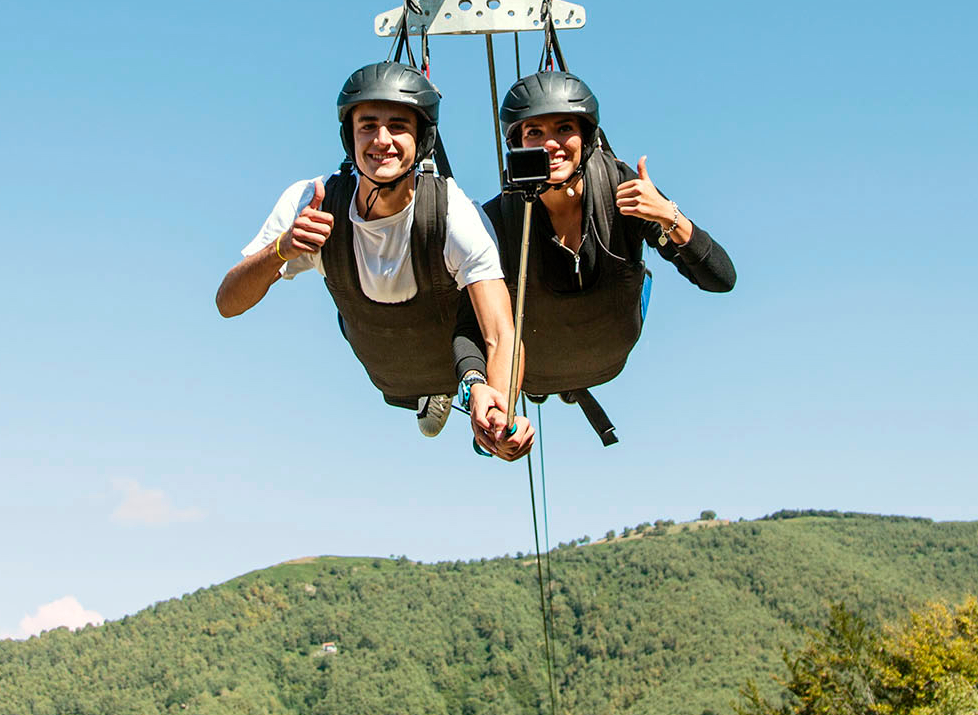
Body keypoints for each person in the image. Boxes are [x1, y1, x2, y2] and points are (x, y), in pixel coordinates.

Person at [216, 62, 534, 460]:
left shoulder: (452, 212)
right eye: (367, 125)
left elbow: (502, 334)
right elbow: (228, 302)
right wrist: (280, 248)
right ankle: (429, 392)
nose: (381, 140)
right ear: (349, 137)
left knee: (470, 314)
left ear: (422, 139)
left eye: (398, 126)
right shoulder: (314, 202)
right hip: (384, 359)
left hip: (444, 345)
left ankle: (461, 386)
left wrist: (501, 416)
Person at [472, 70, 735, 439]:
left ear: (588, 137)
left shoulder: (623, 193)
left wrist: (668, 215)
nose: (551, 145)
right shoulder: (500, 220)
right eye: (535, 133)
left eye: (564, 128)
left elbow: (721, 279)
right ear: (517, 145)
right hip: (536, 364)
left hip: (609, 349)